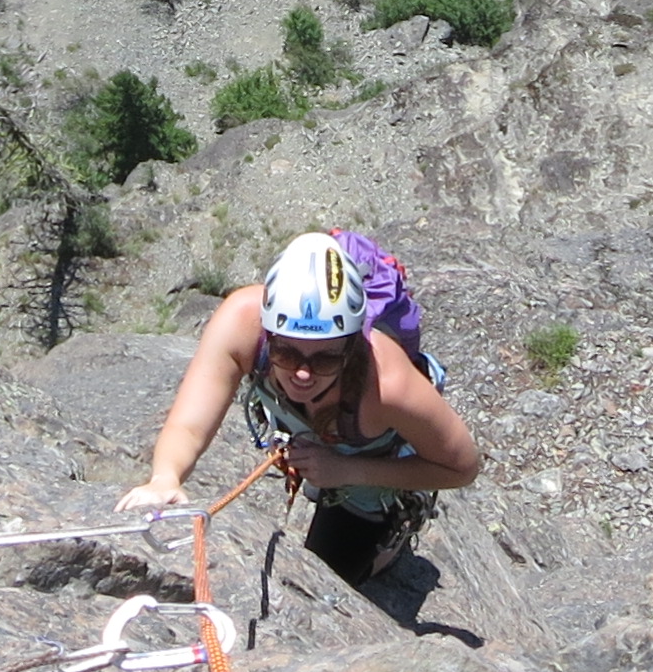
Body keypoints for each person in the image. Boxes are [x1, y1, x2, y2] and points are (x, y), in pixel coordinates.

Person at [120, 228, 483, 583]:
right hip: (328, 434)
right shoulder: (241, 322)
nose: (303, 374)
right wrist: (165, 477)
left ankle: (395, 530)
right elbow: (188, 425)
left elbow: (462, 467)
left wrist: (348, 471)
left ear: (351, 346)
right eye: (286, 352)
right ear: (269, 333)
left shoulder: (387, 385)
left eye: (324, 359)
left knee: (337, 578)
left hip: (370, 459)